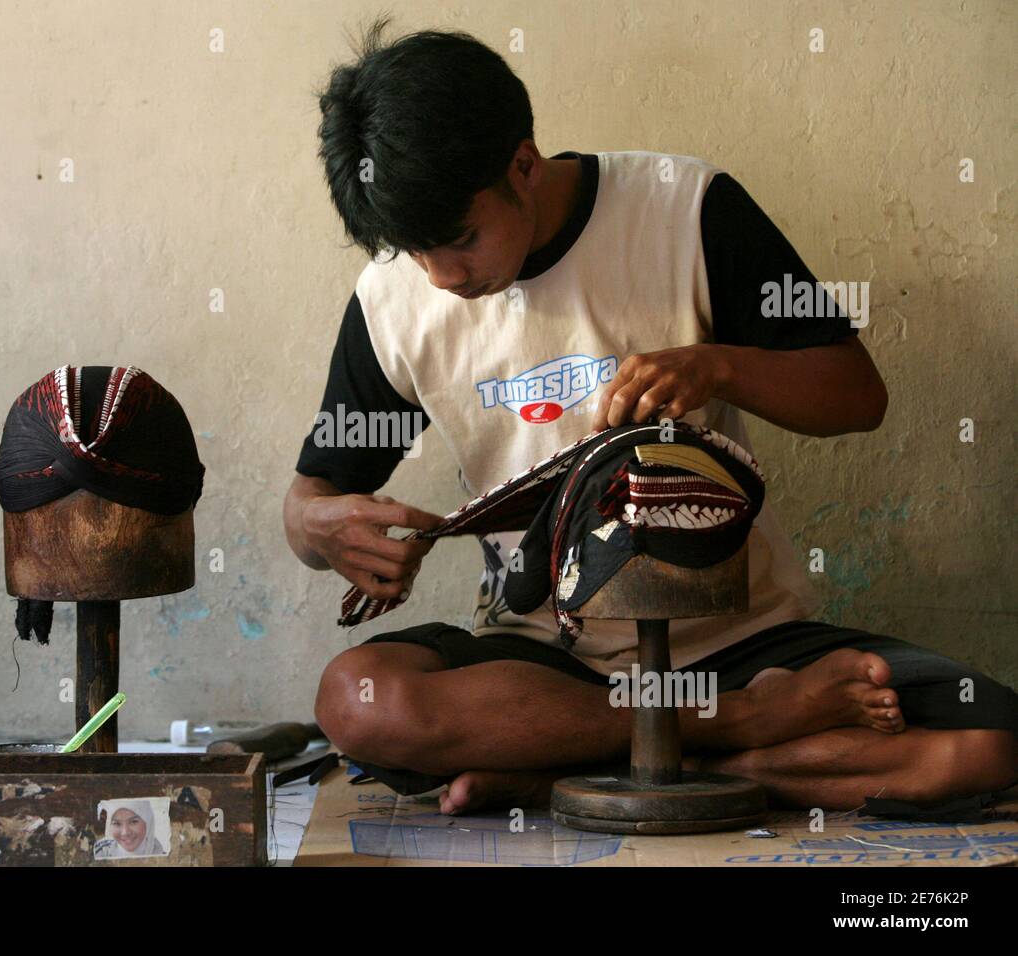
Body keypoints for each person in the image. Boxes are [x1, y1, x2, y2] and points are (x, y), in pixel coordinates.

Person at [284, 19, 1018, 814]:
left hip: (741, 641)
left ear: (523, 165)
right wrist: (319, 528)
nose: (441, 276)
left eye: (460, 239)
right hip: (547, 664)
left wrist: (718, 364)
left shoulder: (685, 209)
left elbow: (856, 395)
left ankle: (572, 770)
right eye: (413, 251)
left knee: (990, 742)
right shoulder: (393, 303)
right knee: (359, 699)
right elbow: (310, 498)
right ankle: (733, 734)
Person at [94, 799, 166, 858]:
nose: (125, 832)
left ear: (148, 823)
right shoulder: (100, 852)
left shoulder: (163, 858)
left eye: (133, 822)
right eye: (116, 823)